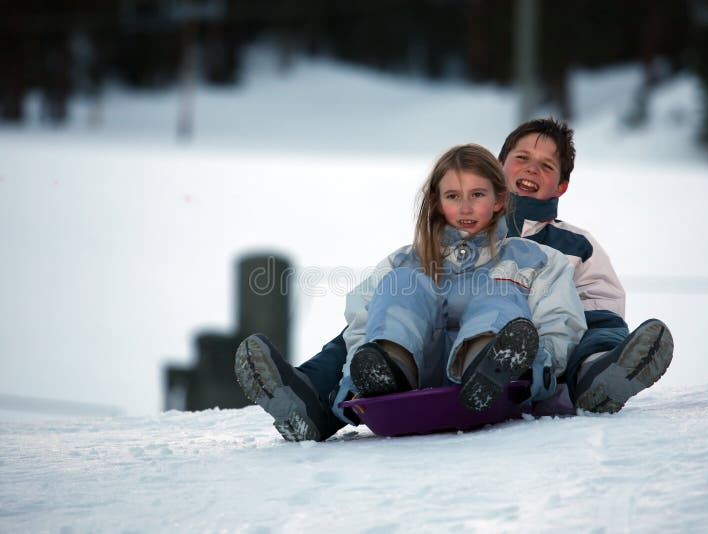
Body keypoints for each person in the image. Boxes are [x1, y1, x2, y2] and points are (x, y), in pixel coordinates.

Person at [234, 118, 674, 442]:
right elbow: (366, 315)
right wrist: (362, 359)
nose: (531, 168)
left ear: (559, 186)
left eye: (545, 166)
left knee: (557, 317)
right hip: (419, 351)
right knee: (384, 310)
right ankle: (319, 393)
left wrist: (545, 361)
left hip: (520, 352)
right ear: (500, 167)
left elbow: (580, 316)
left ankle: (588, 374)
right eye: (522, 158)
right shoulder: (414, 256)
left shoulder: (559, 249)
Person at [329, 144, 585, 426]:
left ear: (499, 199)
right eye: (453, 196)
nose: (465, 207)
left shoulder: (536, 260)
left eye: (477, 194)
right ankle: (390, 366)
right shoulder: (402, 262)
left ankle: (489, 359)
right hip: (412, 377)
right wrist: (357, 376)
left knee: (499, 289)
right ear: (438, 202)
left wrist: (537, 368)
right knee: (403, 284)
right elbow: (362, 323)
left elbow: (560, 322)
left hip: (500, 384)